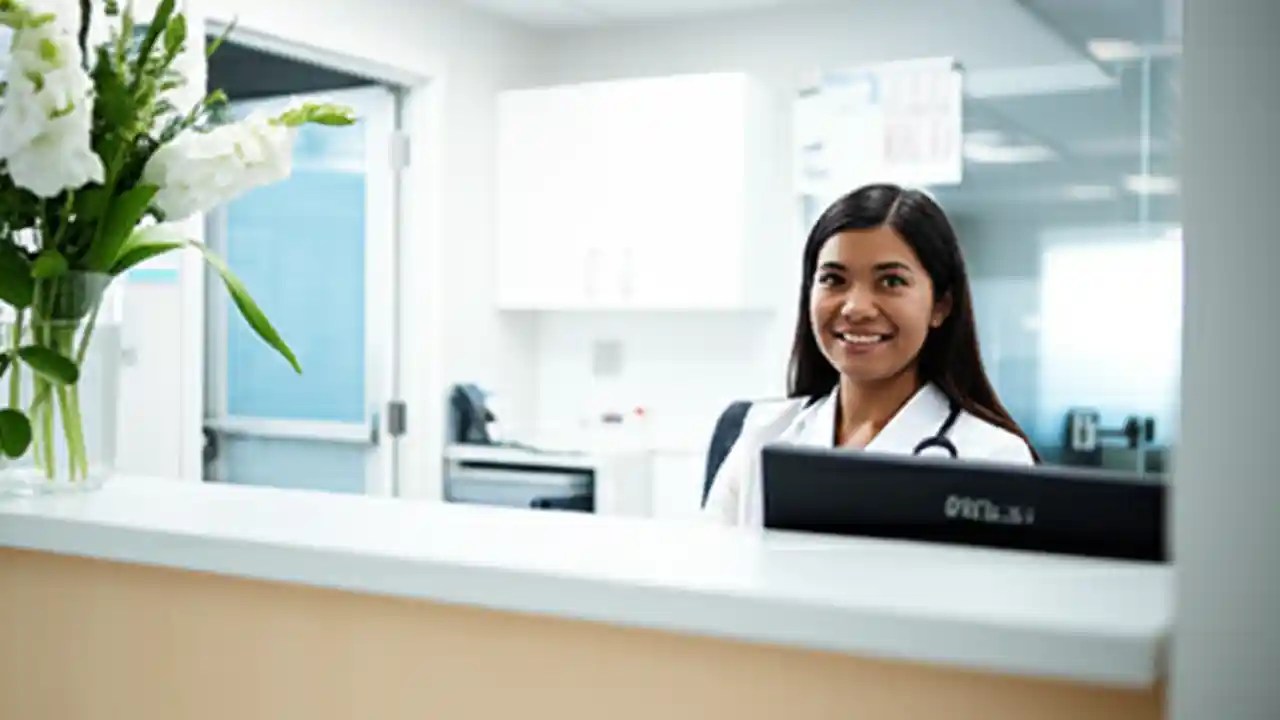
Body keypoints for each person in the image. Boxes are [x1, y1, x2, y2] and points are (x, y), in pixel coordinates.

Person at [703, 183, 1037, 526]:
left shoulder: (992, 457)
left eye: (891, 281)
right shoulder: (764, 433)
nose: (856, 308)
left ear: (940, 305)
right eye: (834, 279)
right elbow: (710, 569)